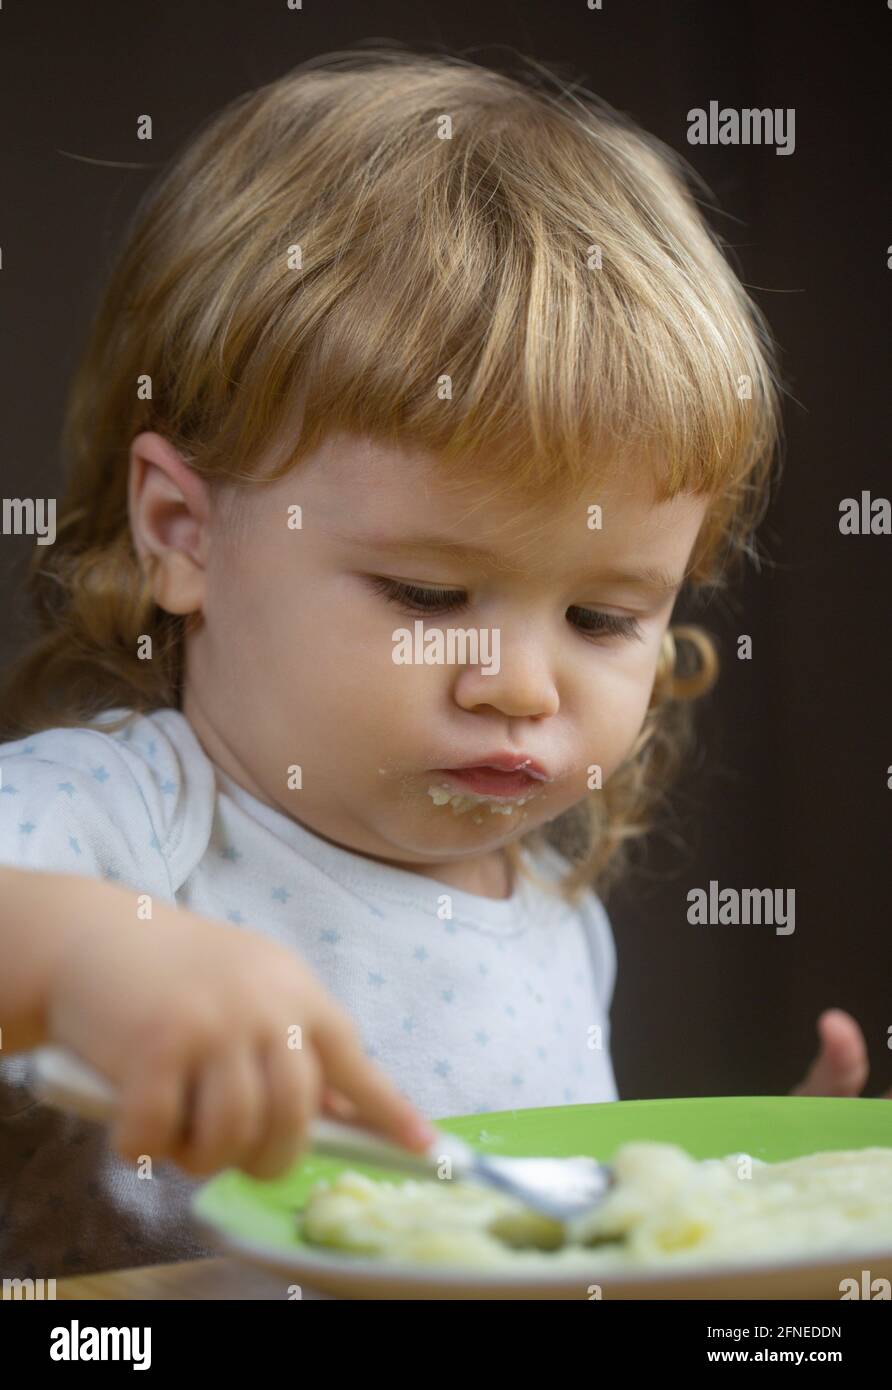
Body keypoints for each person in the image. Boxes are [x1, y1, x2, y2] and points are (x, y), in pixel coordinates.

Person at [0, 47, 882, 1281]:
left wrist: (750, 1209)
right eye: (427, 593)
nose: (518, 683)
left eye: (601, 618)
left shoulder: (550, 909)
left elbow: (536, 1237)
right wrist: (81, 953)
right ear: (182, 532)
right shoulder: (124, 825)